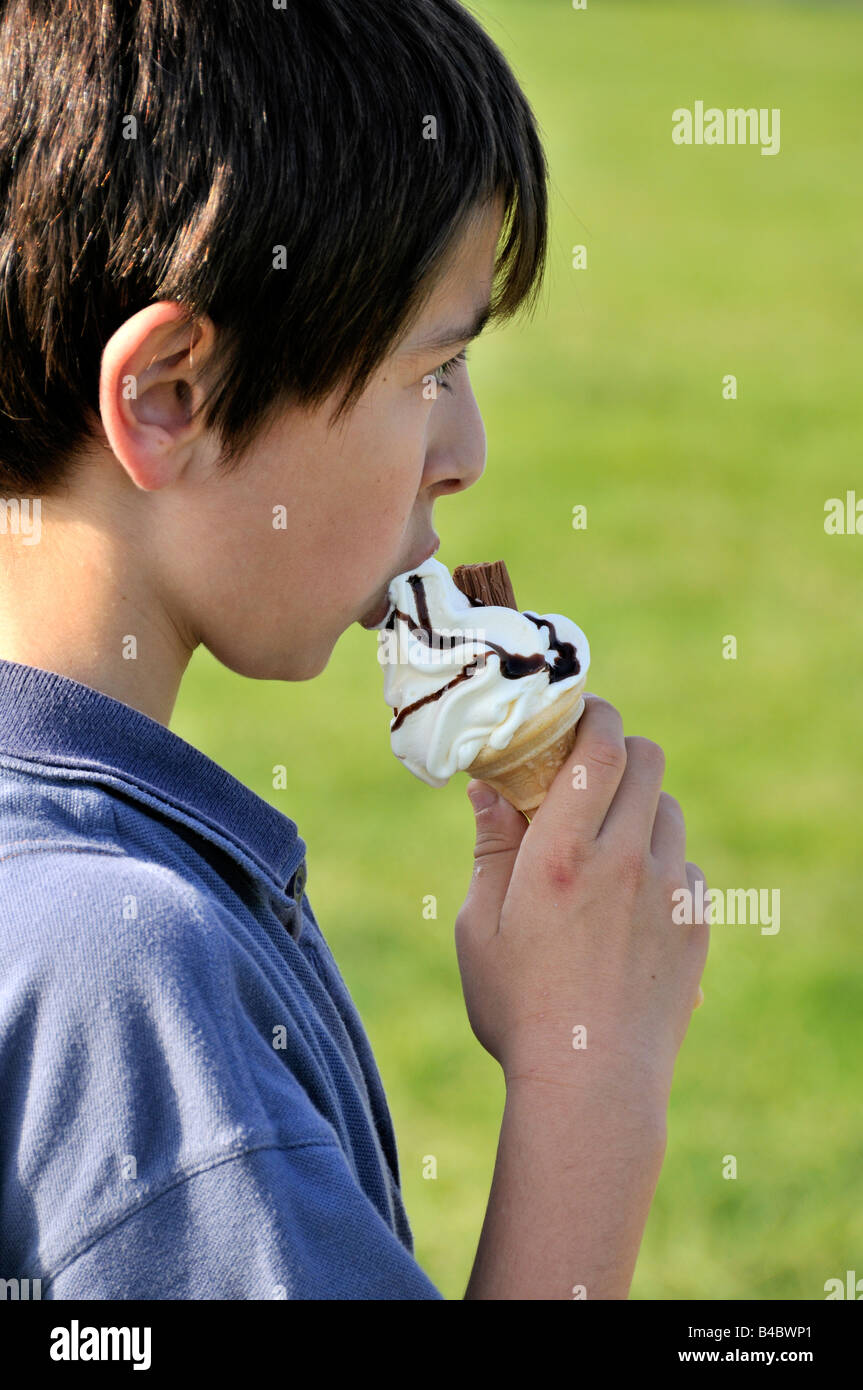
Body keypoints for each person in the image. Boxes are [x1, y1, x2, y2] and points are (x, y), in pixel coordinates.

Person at [0, 0, 709, 1299]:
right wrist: (590, 1080)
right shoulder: (131, 982)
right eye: (432, 371)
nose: (467, 451)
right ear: (172, 398)